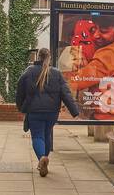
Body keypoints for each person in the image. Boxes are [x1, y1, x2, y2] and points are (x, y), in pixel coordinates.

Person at [16, 48, 80, 177]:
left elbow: (20, 91)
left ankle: (41, 158)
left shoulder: (29, 72)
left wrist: (21, 107)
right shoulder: (56, 73)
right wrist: (74, 110)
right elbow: (65, 93)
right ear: (49, 58)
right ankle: (44, 159)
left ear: (37, 57)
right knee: (47, 134)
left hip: (34, 111)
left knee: (38, 136)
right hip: (52, 112)